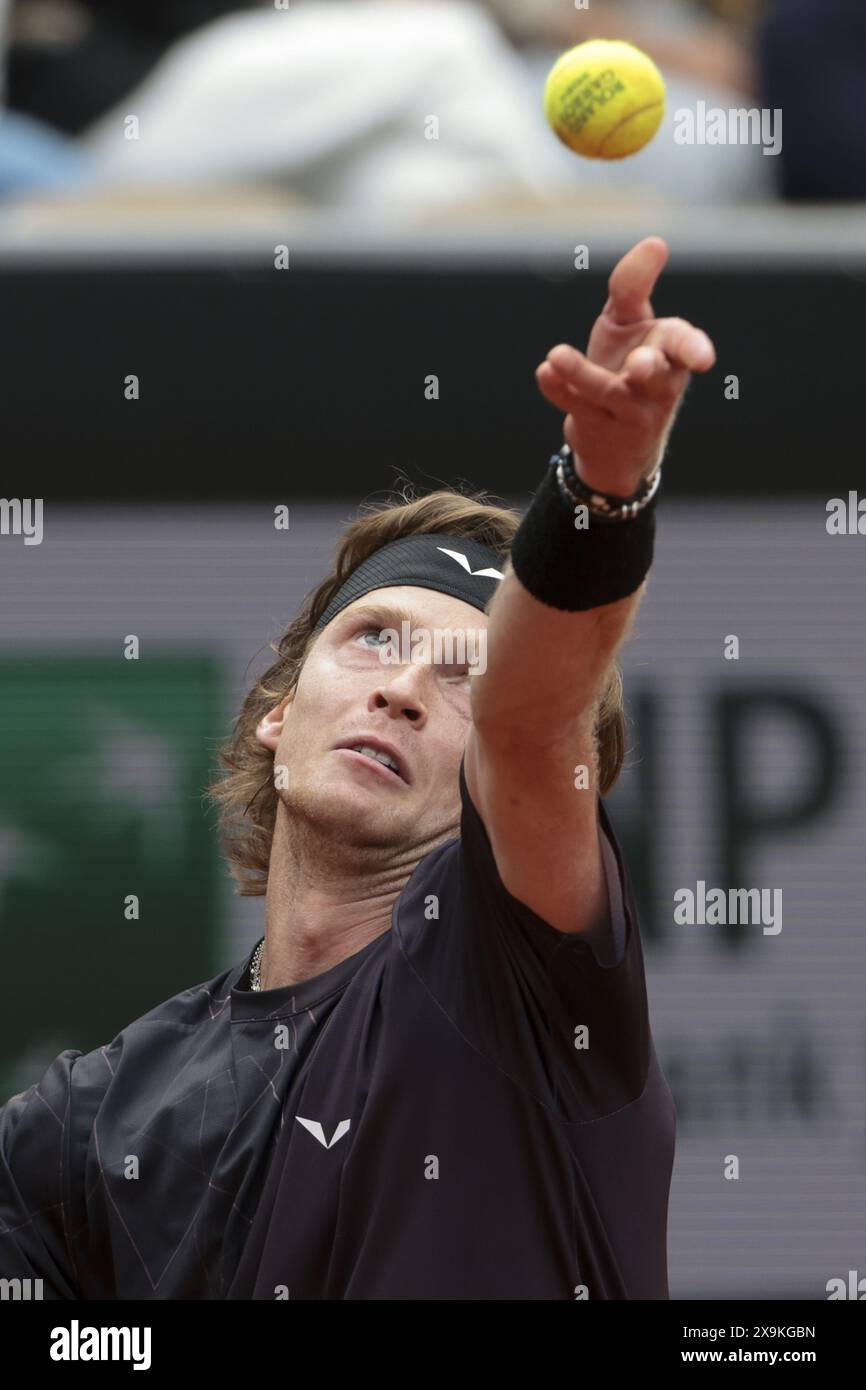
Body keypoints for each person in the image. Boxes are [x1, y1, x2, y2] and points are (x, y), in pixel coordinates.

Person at [0, 235, 715, 1300]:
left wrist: (601, 488)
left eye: (462, 672)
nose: (402, 687)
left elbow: (532, 720)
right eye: (372, 638)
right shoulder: (84, 1122)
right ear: (277, 715)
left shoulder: (515, 976)